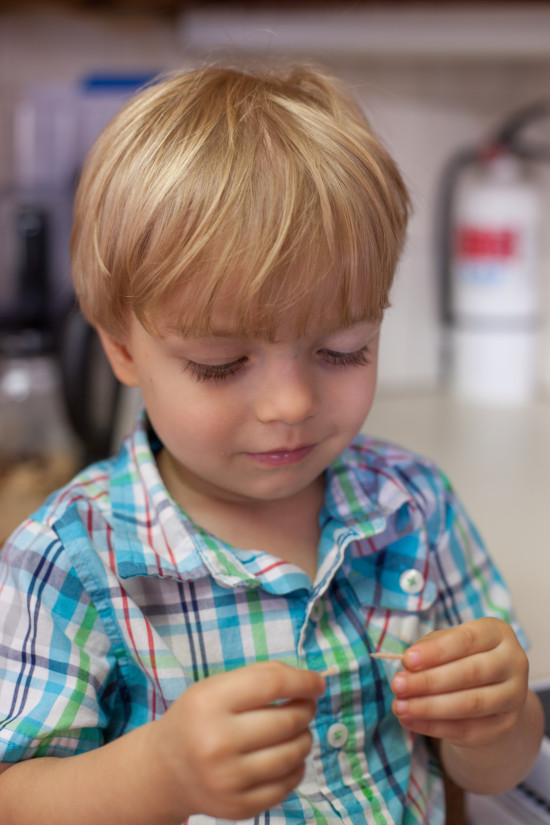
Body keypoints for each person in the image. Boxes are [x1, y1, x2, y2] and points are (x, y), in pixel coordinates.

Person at [0, 64, 543, 825]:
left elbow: (494, 764)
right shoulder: (69, 561)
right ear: (121, 347)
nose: (291, 404)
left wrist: (499, 719)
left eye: (344, 349)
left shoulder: (412, 508)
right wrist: (159, 772)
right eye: (221, 364)